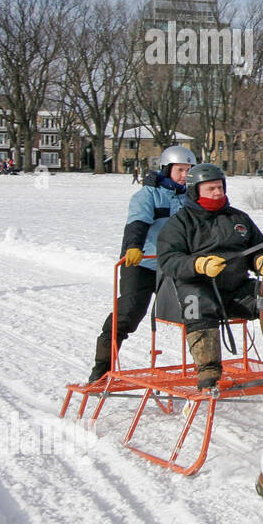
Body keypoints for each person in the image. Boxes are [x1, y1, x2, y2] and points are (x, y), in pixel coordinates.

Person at [87, 145, 197, 382]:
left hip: (173, 266)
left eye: (188, 170)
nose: (184, 175)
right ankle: (102, 369)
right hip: (142, 263)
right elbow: (137, 222)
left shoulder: (190, 198)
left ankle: (205, 366)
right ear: (167, 169)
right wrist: (133, 247)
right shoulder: (148, 195)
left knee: (196, 311)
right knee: (129, 313)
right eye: (180, 170)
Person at [157, 163, 263, 390]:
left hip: (237, 287)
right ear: (195, 190)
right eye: (211, 189)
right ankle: (208, 369)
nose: (218, 192)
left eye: (220, 187)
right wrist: (198, 264)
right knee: (197, 303)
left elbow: (258, 247)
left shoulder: (239, 218)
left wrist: (261, 261)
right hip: (197, 286)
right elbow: (168, 259)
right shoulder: (180, 222)